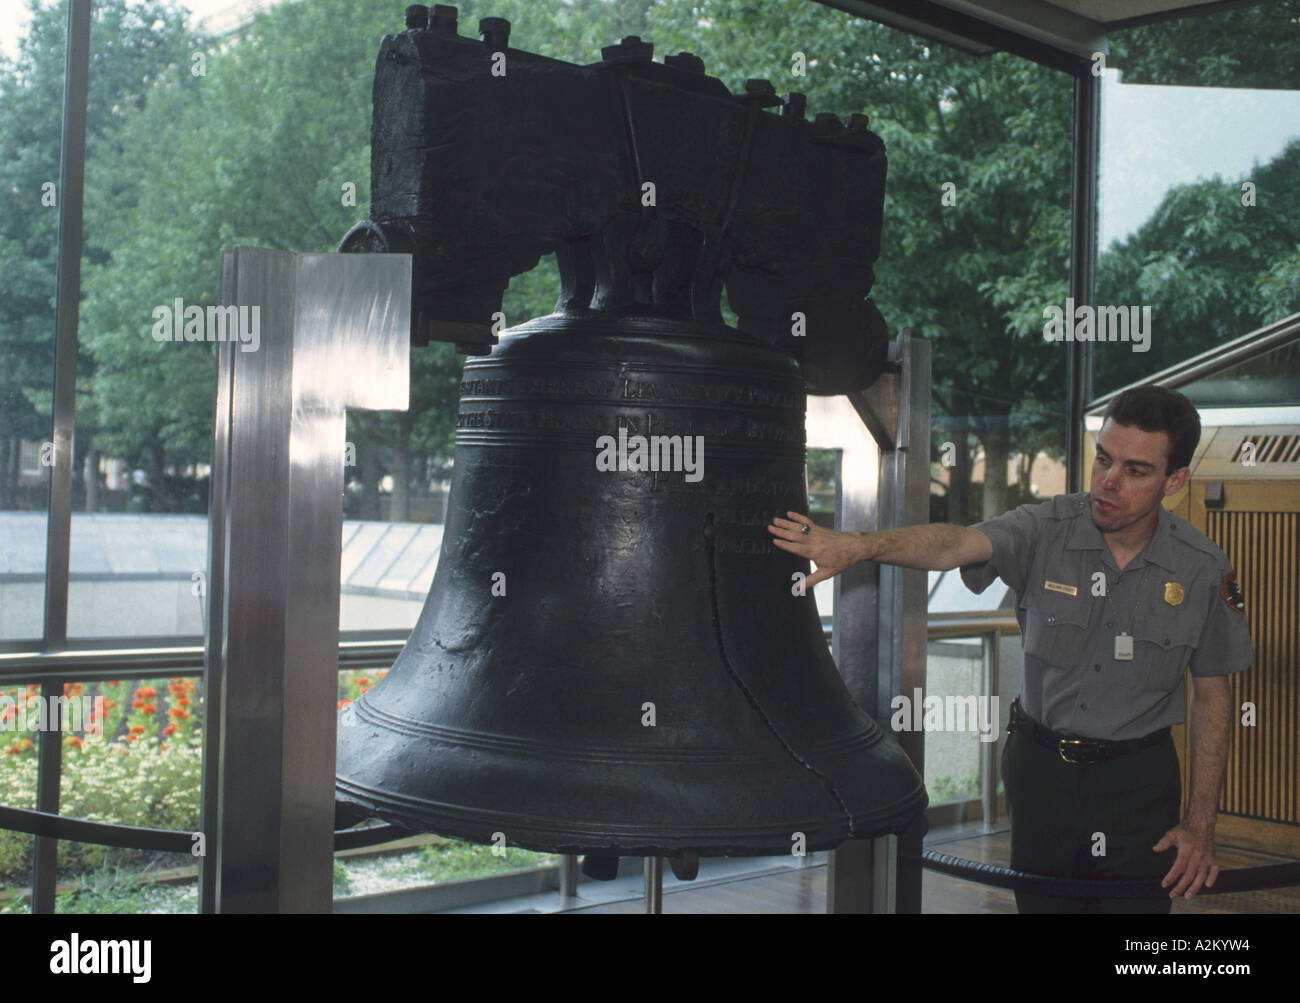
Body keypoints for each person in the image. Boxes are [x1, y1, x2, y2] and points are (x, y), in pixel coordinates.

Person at [768, 386, 1253, 913]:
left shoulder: (1202, 569)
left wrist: (1201, 821)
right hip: (1042, 773)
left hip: (1138, 784)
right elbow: (955, 543)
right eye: (1104, 460)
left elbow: (1212, 695)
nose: (1108, 483)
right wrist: (861, 545)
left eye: (1136, 471)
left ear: (1175, 481)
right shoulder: (1044, 529)